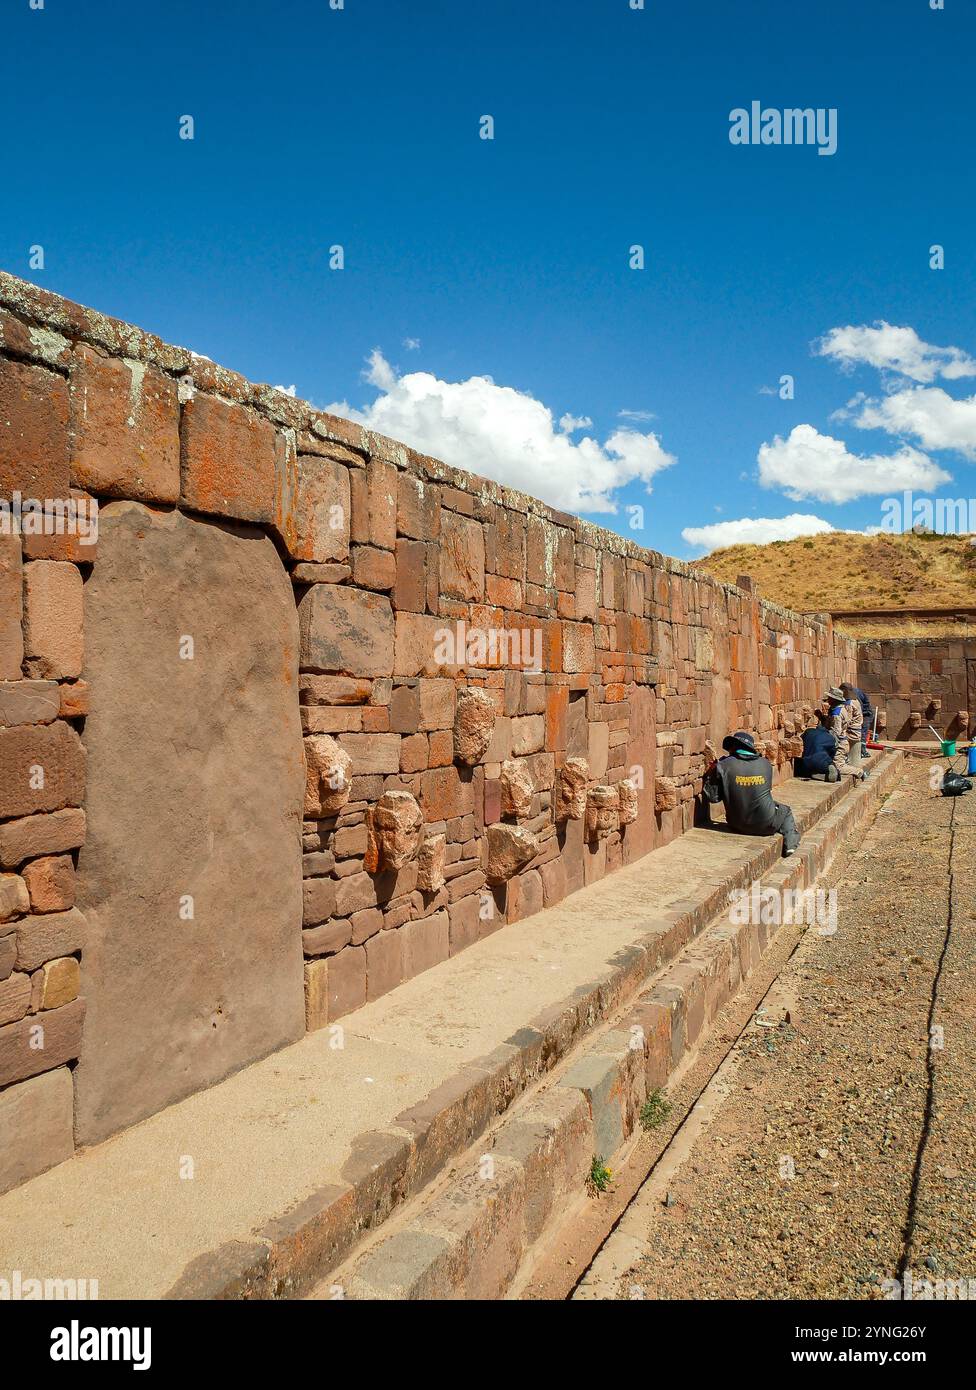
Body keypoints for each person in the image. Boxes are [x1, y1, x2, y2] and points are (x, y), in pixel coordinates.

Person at [703, 730, 801, 857]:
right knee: (785, 810)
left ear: (734, 748)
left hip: (736, 824)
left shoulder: (722, 766)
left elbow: (713, 797)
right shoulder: (765, 764)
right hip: (766, 825)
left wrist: (712, 773)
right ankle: (791, 844)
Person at [823, 688, 867, 781]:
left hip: (840, 743)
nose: (828, 700)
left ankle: (859, 772)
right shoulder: (840, 709)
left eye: (830, 698)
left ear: (834, 699)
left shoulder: (837, 714)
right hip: (843, 741)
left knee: (838, 766)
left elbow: (836, 732)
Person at [795, 710, 839, 781]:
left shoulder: (808, 732)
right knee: (835, 770)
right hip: (822, 763)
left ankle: (812, 774)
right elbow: (832, 754)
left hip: (806, 762)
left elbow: (801, 741)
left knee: (803, 767)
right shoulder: (831, 738)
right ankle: (825, 774)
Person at [841, 681, 874, 751]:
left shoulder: (854, 698)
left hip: (866, 713)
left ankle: (862, 750)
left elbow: (858, 710)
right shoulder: (850, 697)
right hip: (859, 714)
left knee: (863, 732)